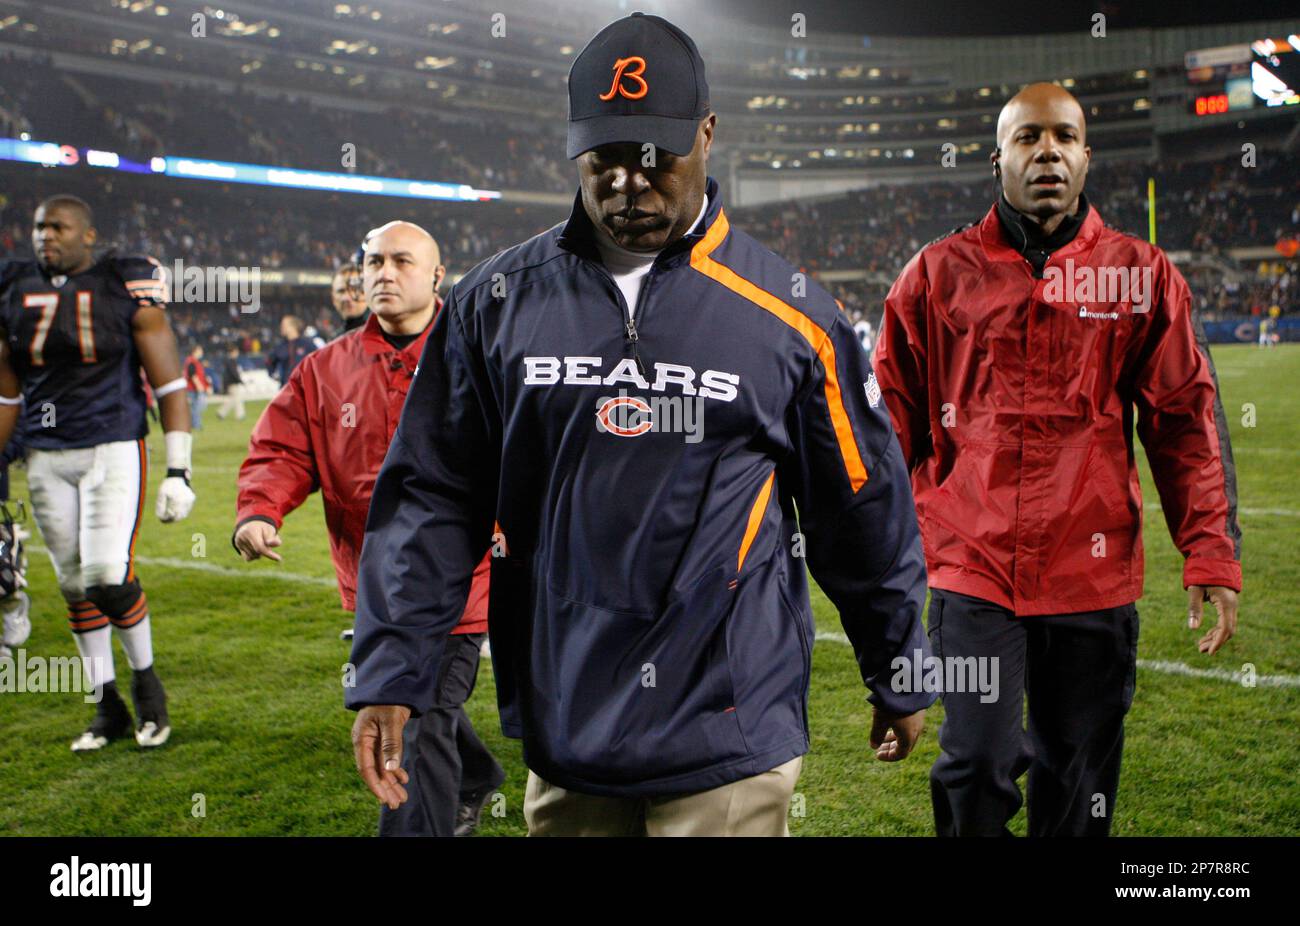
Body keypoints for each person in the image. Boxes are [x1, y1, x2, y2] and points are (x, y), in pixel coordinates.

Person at [346, 12, 934, 837]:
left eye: (656, 157)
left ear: (707, 133)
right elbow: (432, 499)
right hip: (569, 724)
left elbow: (860, 505)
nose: (629, 183)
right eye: (607, 158)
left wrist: (898, 663)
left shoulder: (794, 319)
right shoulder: (493, 304)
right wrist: (392, 671)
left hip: (730, 725)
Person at [874, 83, 1242, 837]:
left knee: (1074, 784)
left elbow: (1184, 418)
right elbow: (890, 427)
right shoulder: (936, 275)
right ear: (999, 158)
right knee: (977, 762)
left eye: (1065, 137)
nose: (1048, 151)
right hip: (974, 565)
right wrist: (882, 561)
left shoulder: (1140, 274)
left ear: (1085, 155)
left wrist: (1208, 546)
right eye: (1028, 137)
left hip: (1091, 567)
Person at [234, 221, 503, 837]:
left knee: (416, 715)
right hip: (373, 585)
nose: (384, 272)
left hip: (464, 584)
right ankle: (477, 774)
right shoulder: (324, 370)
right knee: (424, 704)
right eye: (373, 261)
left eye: (402, 261)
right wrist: (259, 510)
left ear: (437, 276)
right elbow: (282, 450)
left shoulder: (481, 355)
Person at [0, 194, 196, 750]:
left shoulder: (122, 281)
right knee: (71, 585)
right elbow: (6, 394)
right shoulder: (13, 287)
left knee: (106, 575)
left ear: (88, 235)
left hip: (112, 445)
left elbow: (168, 383)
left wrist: (178, 469)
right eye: (39, 227)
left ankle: (148, 688)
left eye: (58, 227)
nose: (45, 236)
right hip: (45, 452)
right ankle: (105, 706)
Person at [266, 314, 321, 385]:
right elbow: (269, 361)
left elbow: (318, 361)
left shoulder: (307, 344)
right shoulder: (280, 346)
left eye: (284, 325)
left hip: (305, 386)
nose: (281, 328)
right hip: (287, 387)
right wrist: (272, 374)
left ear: (293, 326)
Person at [331, 261, 368, 337]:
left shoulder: (386, 334)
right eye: (341, 291)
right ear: (333, 298)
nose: (346, 297)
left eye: (354, 290)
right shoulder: (335, 340)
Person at [183, 345, 212, 430]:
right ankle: (196, 425)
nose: (202, 352)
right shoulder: (191, 361)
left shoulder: (196, 362)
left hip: (195, 388)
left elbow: (200, 375)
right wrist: (199, 386)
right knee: (197, 407)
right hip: (193, 389)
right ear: (195, 351)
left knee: (198, 407)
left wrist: (206, 385)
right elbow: (193, 375)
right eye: (200, 350)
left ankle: (195, 424)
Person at [215, 343, 246, 421]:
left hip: (231, 382)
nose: (237, 353)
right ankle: (239, 415)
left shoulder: (229, 361)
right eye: (236, 352)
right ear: (233, 352)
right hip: (232, 383)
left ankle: (221, 412)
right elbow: (233, 373)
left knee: (234, 399)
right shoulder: (230, 361)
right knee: (237, 399)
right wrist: (240, 380)